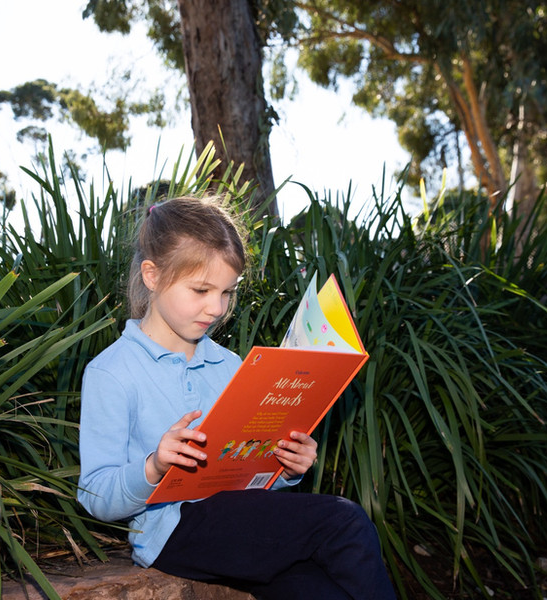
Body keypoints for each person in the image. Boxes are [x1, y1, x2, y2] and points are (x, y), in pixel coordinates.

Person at [77, 195, 397, 599]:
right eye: (201, 289)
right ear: (152, 275)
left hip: (242, 528)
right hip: (175, 530)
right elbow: (95, 496)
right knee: (345, 521)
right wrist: (154, 466)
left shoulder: (231, 365)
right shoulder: (112, 371)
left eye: (227, 292)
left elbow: (248, 478)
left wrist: (288, 468)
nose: (216, 307)